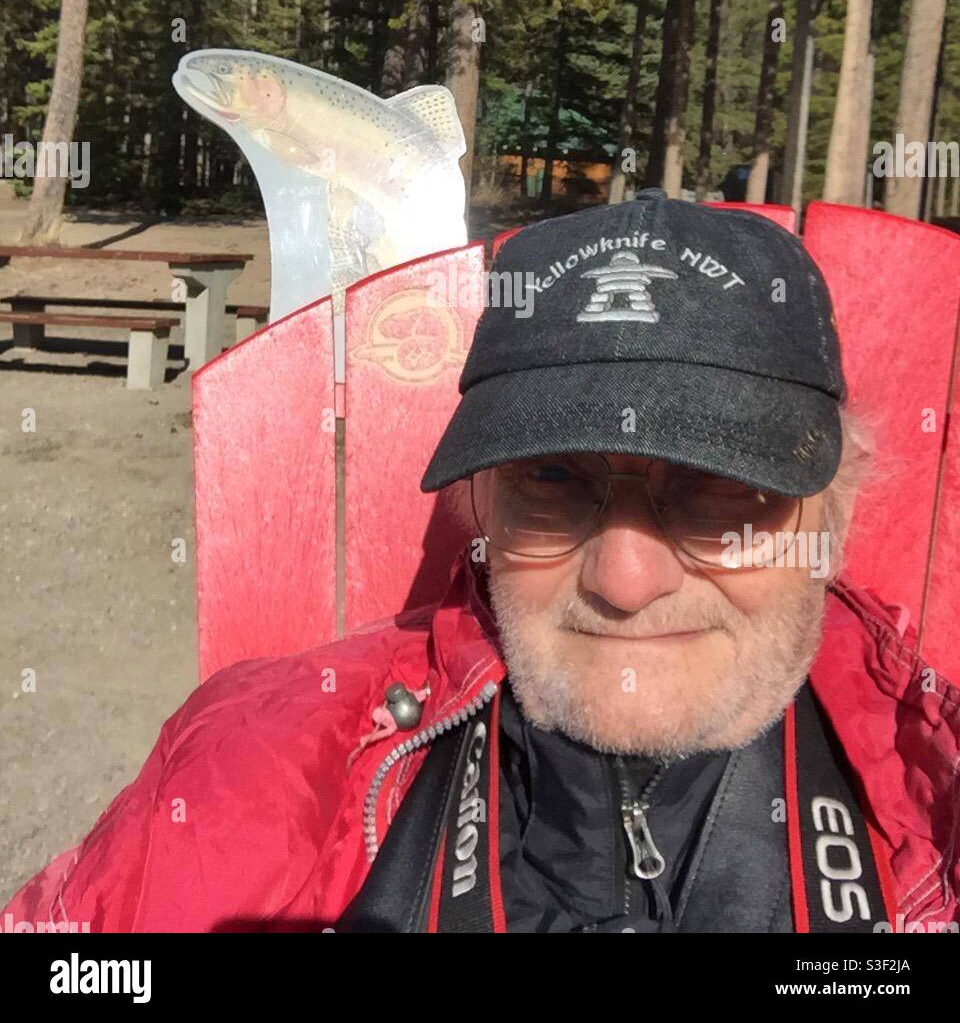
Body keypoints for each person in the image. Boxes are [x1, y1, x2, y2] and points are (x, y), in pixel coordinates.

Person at [4, 191, 958, 932]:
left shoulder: (940, 806)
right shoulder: (250, 778)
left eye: (717, 485)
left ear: (834, 511)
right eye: (552, 477)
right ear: (480, 508)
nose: (624, 582)